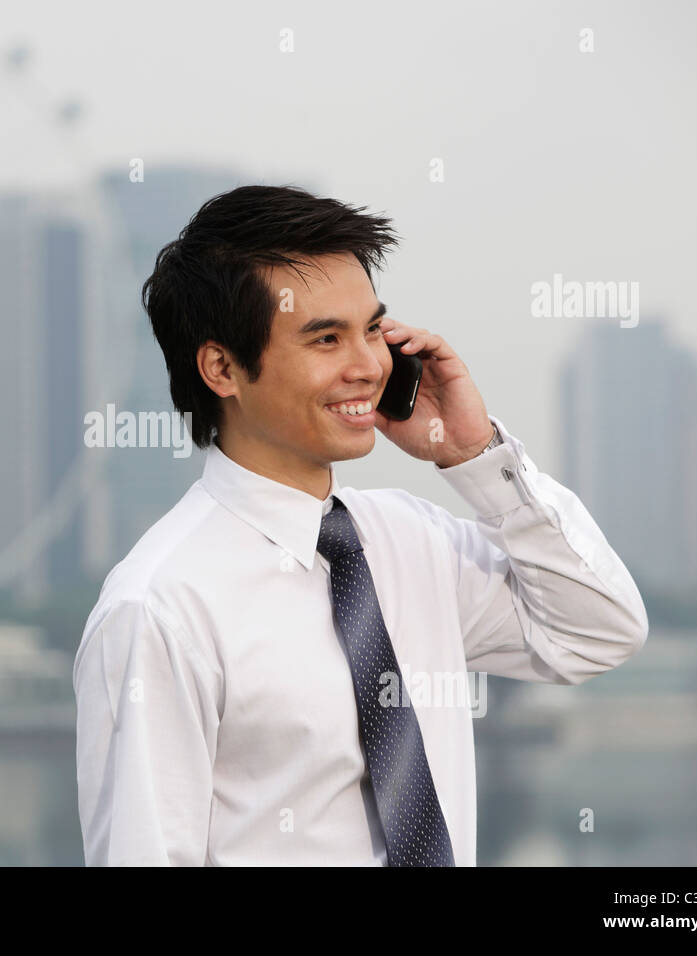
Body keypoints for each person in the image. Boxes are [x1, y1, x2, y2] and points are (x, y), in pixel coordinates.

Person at [73, 184, 648, 866]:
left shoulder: (413, 542)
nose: (369, 366)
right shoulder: (160, 607)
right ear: (222, 367)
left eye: (374, 329)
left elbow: (598, 630)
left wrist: (474, 455)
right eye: (326, 338)